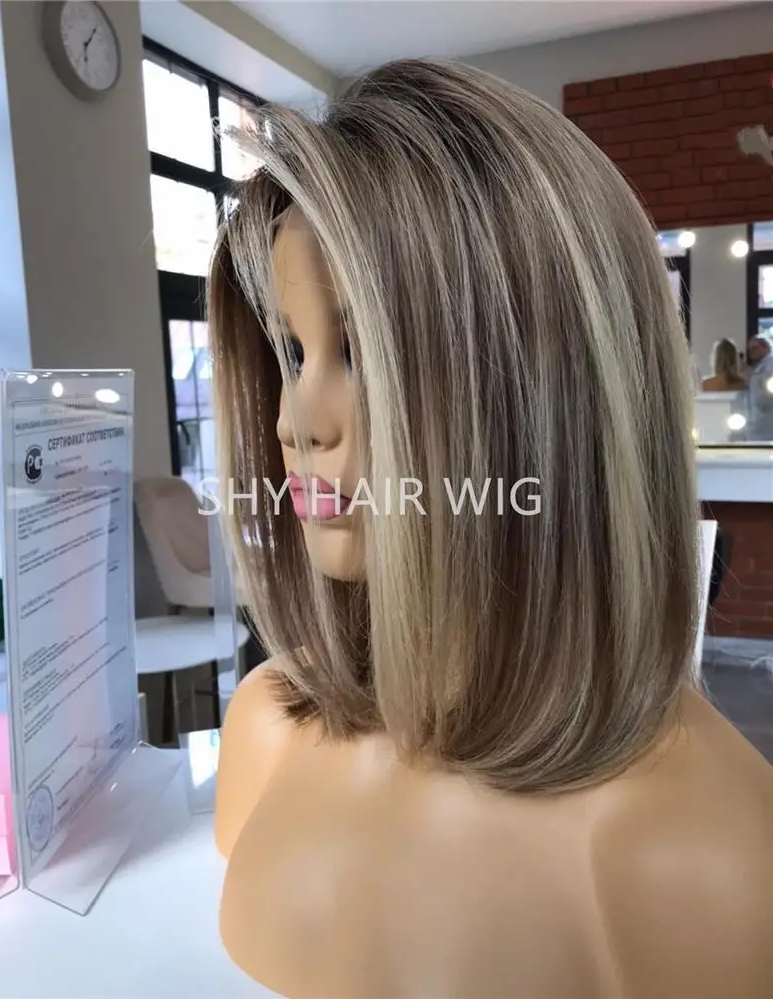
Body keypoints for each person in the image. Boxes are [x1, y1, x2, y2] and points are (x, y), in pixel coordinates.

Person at [209, 59, 772, 999]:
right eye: (293, 353)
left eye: (362, 351)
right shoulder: (267, 725)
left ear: (542, 394)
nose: (295, 422)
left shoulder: (704, 859)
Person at [743, 334, 773, 441]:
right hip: (757, 421)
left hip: (766, 420)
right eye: (750, 349)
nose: (752, 352)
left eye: (755, 348)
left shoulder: (770, 365)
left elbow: (766, 394)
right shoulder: (758, 367)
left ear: (766, 347)